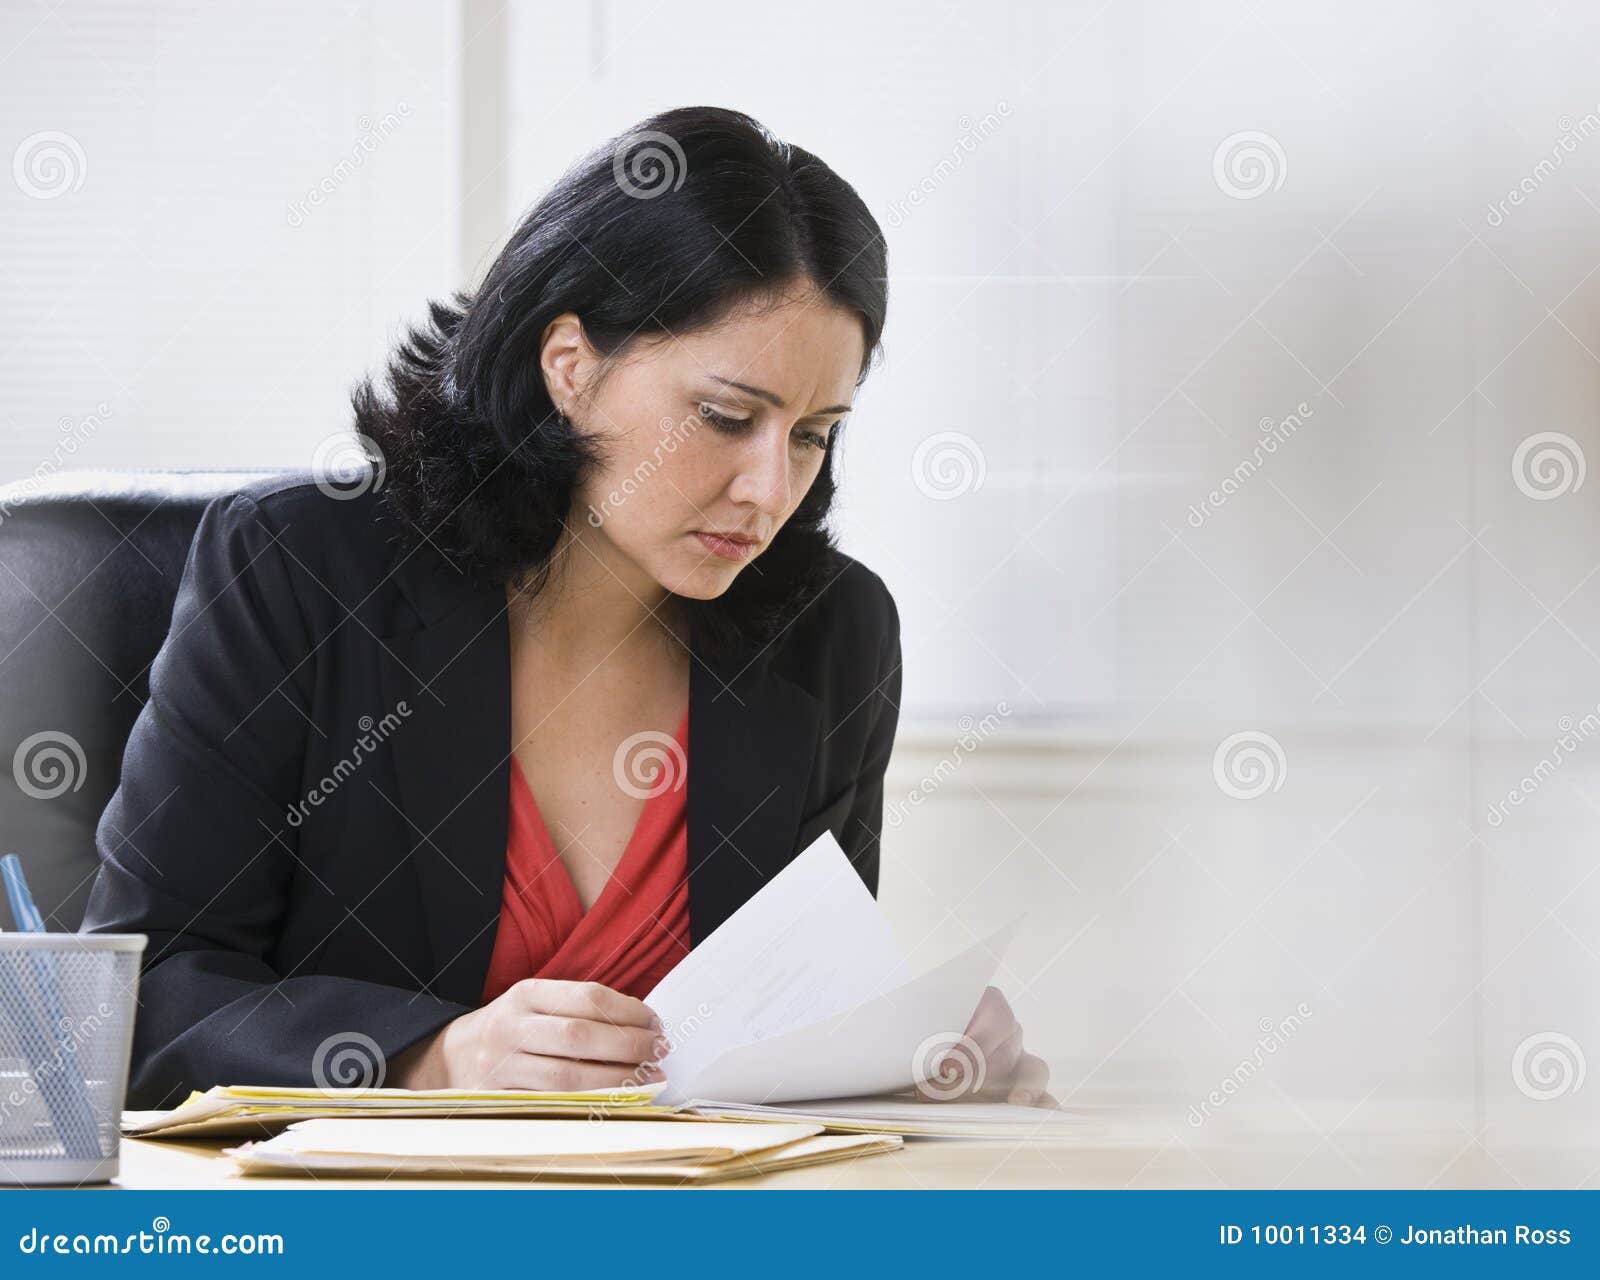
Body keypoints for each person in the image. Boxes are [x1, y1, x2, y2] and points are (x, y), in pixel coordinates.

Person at [82, 105, 1054, 1111]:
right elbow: (138, 995)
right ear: (570, 368)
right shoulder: (300, 569)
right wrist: (431, 1058)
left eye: (812, 433)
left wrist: (909, 1059)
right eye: (725, 417)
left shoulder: (833, 633)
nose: (769, 488)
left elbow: (783, 1038)